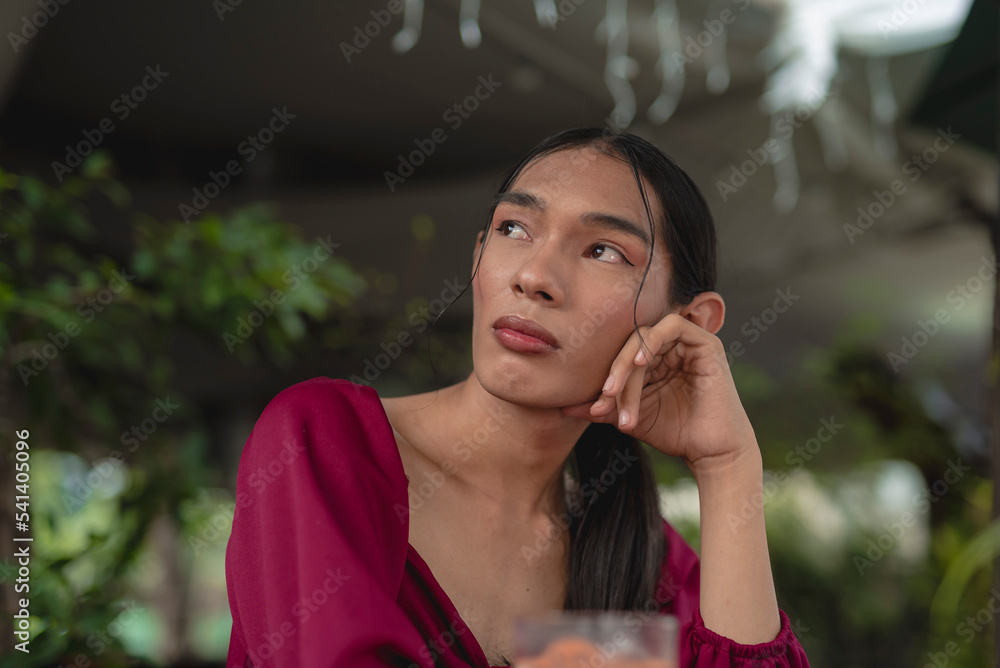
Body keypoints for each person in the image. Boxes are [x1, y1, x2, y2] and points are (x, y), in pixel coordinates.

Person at [224, 127, 811, 667]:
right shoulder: (327, 441)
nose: (533, 276)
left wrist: (729, 468)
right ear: (479, 256)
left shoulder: (647, 562)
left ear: (687, 322)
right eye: (514, 229)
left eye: (603, 250)